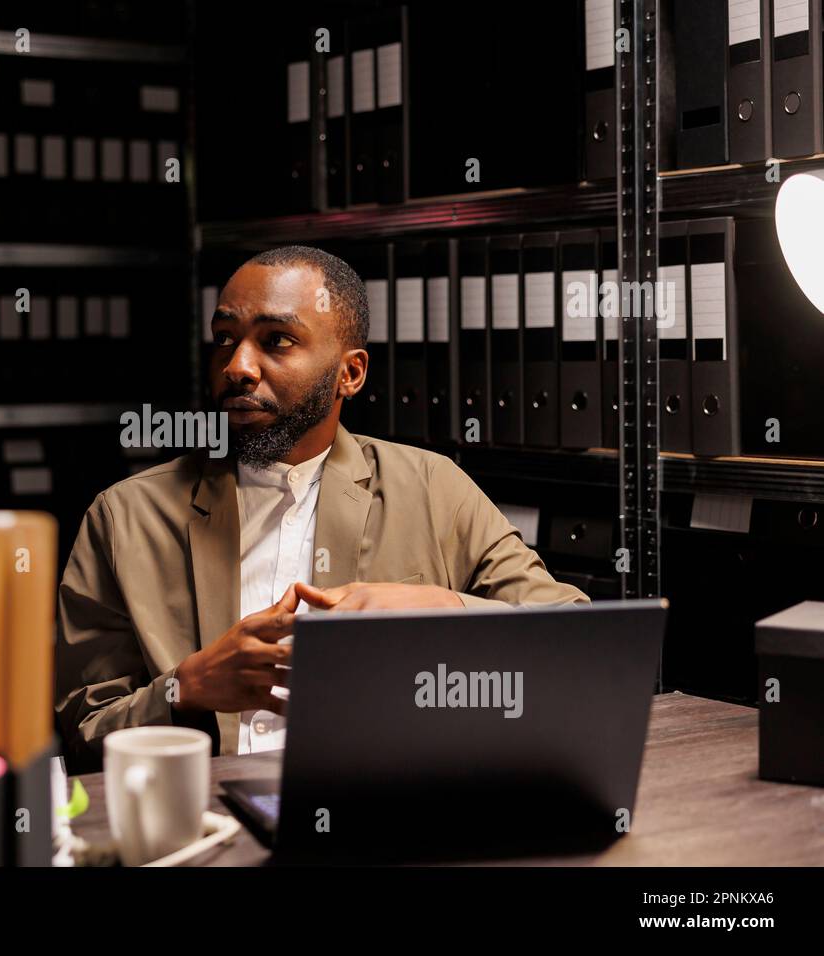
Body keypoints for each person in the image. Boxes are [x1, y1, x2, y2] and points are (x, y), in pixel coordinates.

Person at [55, 245, 588, 770]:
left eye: (276, 340)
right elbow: (82, 732)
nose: (237, 366)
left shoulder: (433, 488)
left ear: (349, 374)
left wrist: (444, 608)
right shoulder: (124, 517)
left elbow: (577, 644)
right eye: (224, 339)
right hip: (208, 823)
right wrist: (185, 687)